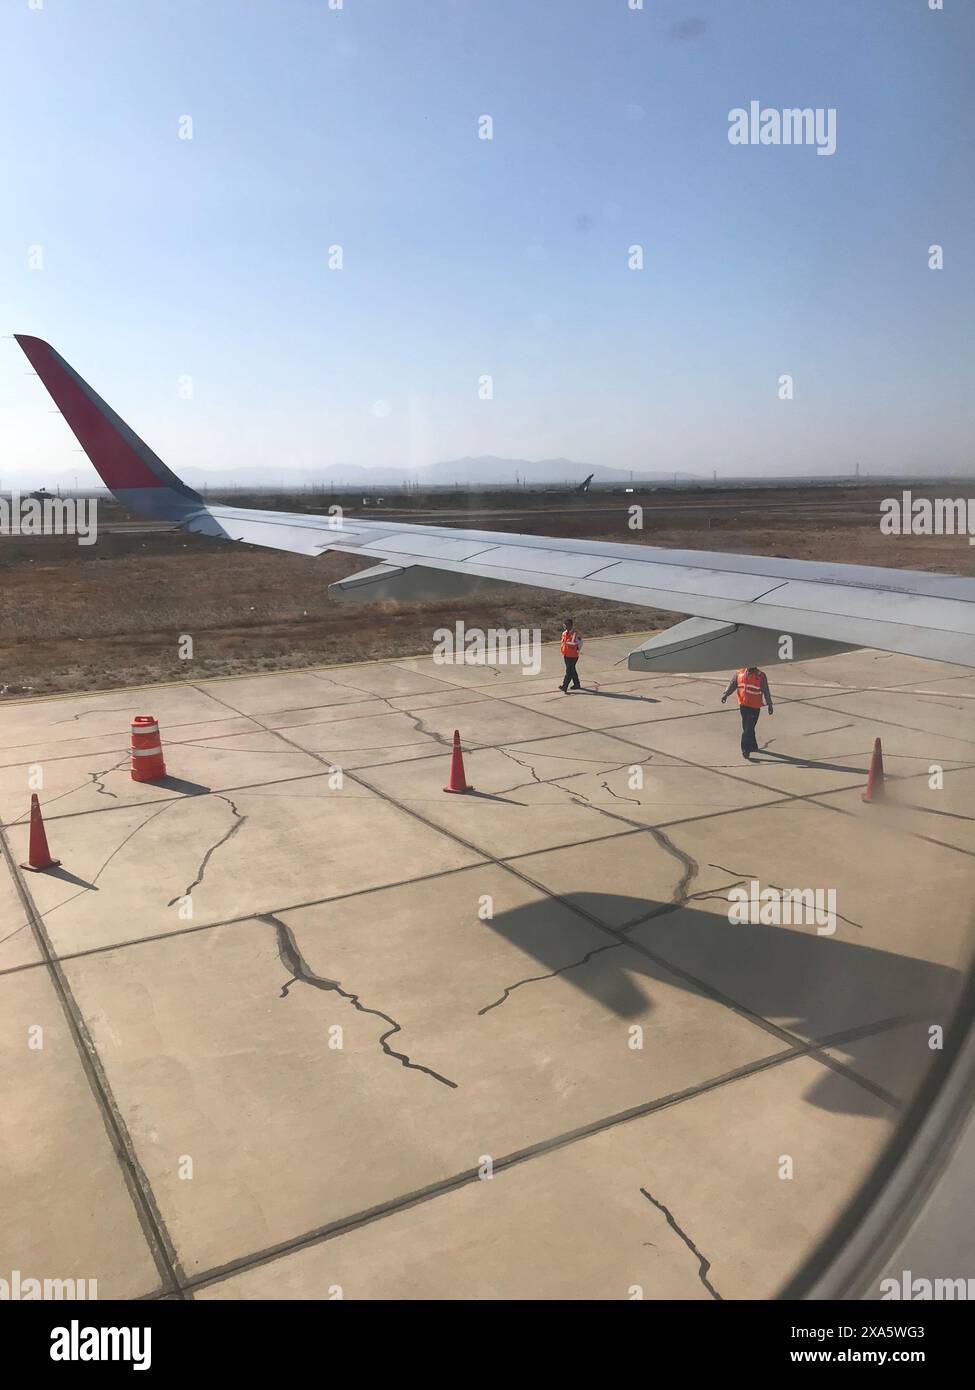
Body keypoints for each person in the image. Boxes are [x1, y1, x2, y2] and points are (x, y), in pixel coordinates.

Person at [721, 664, 773, 759]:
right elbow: (733, 684)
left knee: (748, 729)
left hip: (755, 707)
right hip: (743, 705)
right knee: (747, 727)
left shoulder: (761, 676)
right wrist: (725, 695)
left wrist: (769, 704)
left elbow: (766, 691)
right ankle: (753, 746)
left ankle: (745, 749)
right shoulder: (739, 673)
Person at [559, 617, 583, 691]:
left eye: (567, 625)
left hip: (573, 655)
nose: (566, 626)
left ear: (571, 625)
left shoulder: (575, 633)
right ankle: (577, 684)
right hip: (566, 654)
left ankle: (565, 686)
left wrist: (577, 650)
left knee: (569, 671)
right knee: (572, 670)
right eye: (565, 625)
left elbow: (580, 643)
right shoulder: (564, 633)